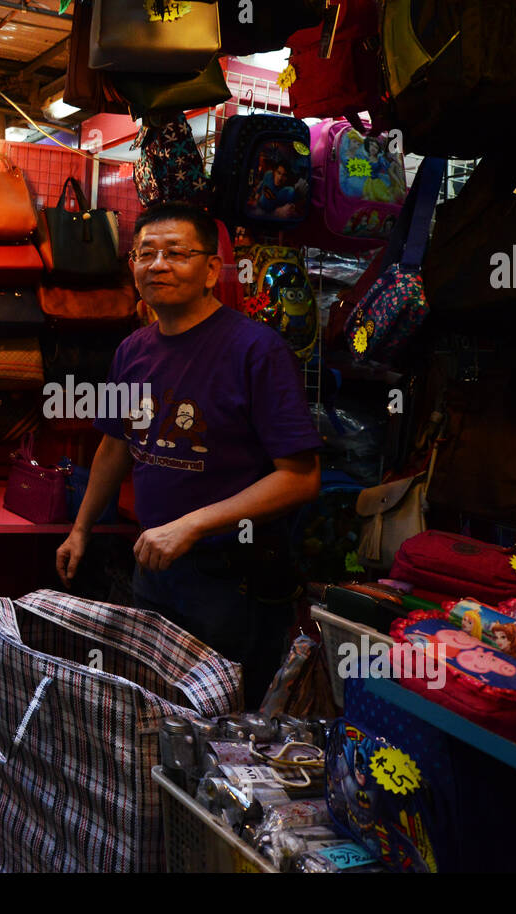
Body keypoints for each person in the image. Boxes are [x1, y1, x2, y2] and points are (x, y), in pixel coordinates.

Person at [56, 203, 322, 709]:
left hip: (232, 579)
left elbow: (300, 479)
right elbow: (115, 443)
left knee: (226, 726)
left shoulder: (256, 350)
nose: (158, 265)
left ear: (210, 270)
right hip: (154, 567)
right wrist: (81, 530)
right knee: (156, 714)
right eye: (145, 254)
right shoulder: (132, 350)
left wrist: (193, 525)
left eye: (176, 253)